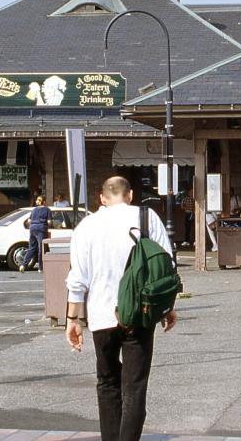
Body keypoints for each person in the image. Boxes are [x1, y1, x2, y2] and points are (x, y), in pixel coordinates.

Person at [65, 176, 177, 441]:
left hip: (101, 316)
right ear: (130, 195)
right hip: (140, 314)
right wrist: (167, 308)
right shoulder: (146, 218)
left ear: (102, 198)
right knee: (135, 387)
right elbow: (166, 267)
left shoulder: (86, 226)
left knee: (107, 383)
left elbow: (77, 278)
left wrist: (72, 319)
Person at [20, 195, 52, 272]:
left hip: (32, 228)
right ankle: (40, 267)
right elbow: (49, 222)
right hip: (41, 228)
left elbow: (29, 221)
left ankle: (23, 265)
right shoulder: (47, 210)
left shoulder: (34, 210)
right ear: (44, 202)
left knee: (32, 247)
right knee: (41, 248)